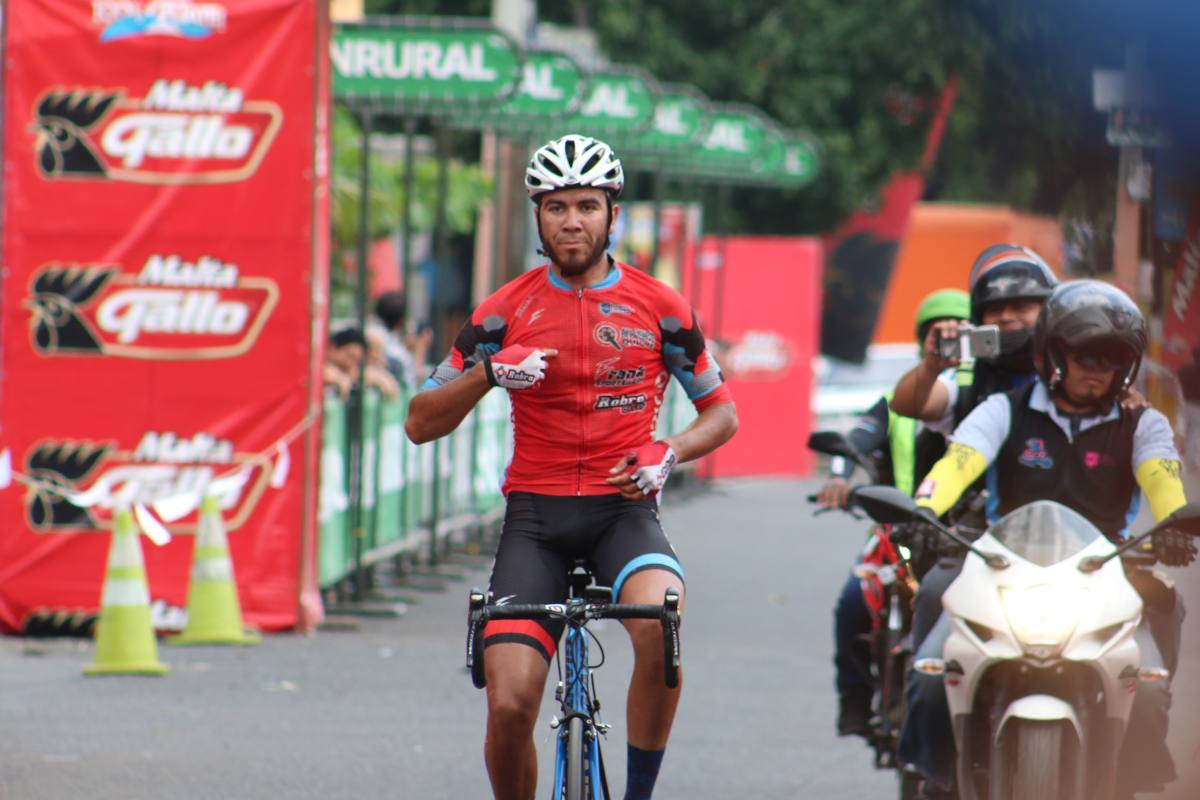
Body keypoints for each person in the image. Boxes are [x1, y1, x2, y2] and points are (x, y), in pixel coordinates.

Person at [404, 133, 738, 800]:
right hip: (537, 520)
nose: (572, 221)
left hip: (624, 514)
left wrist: (666, 450)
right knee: (509, 704)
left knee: (661, 626)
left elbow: (722, 414)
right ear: (538, 217)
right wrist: (490, 373)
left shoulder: (662, 306)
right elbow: (420, 419)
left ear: (612, 213)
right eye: (556, 207)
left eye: (587, 205)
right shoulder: (503, 310)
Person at [899, 280, 1193, 799]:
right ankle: (938, 781)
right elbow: (957, 464)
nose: (1096, 370)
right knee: (929, 670)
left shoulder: (1142, 423)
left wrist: (1177, 524)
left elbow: (1163, 481)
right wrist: (925, 508)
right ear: (1053, 354)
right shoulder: (1002, 410)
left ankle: (1130, 777)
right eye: (1084, 356)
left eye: (1110, 359)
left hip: (1108, 572)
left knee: (1151, 673)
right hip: (999, 567)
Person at [816, 288, 970, 737]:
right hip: (897, 531)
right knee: (851, 603)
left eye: (958, 335)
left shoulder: (988, 397)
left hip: (971, 534)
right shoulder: (898, 400)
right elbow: (853, 443)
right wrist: (840, 477)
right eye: (936, 336)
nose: (946, 344)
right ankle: (856, 703)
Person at [373, 290, 432, 388]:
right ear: (401, 319)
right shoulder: (397, 353)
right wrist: (420, 348)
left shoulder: (376, 332)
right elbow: (411, 382)